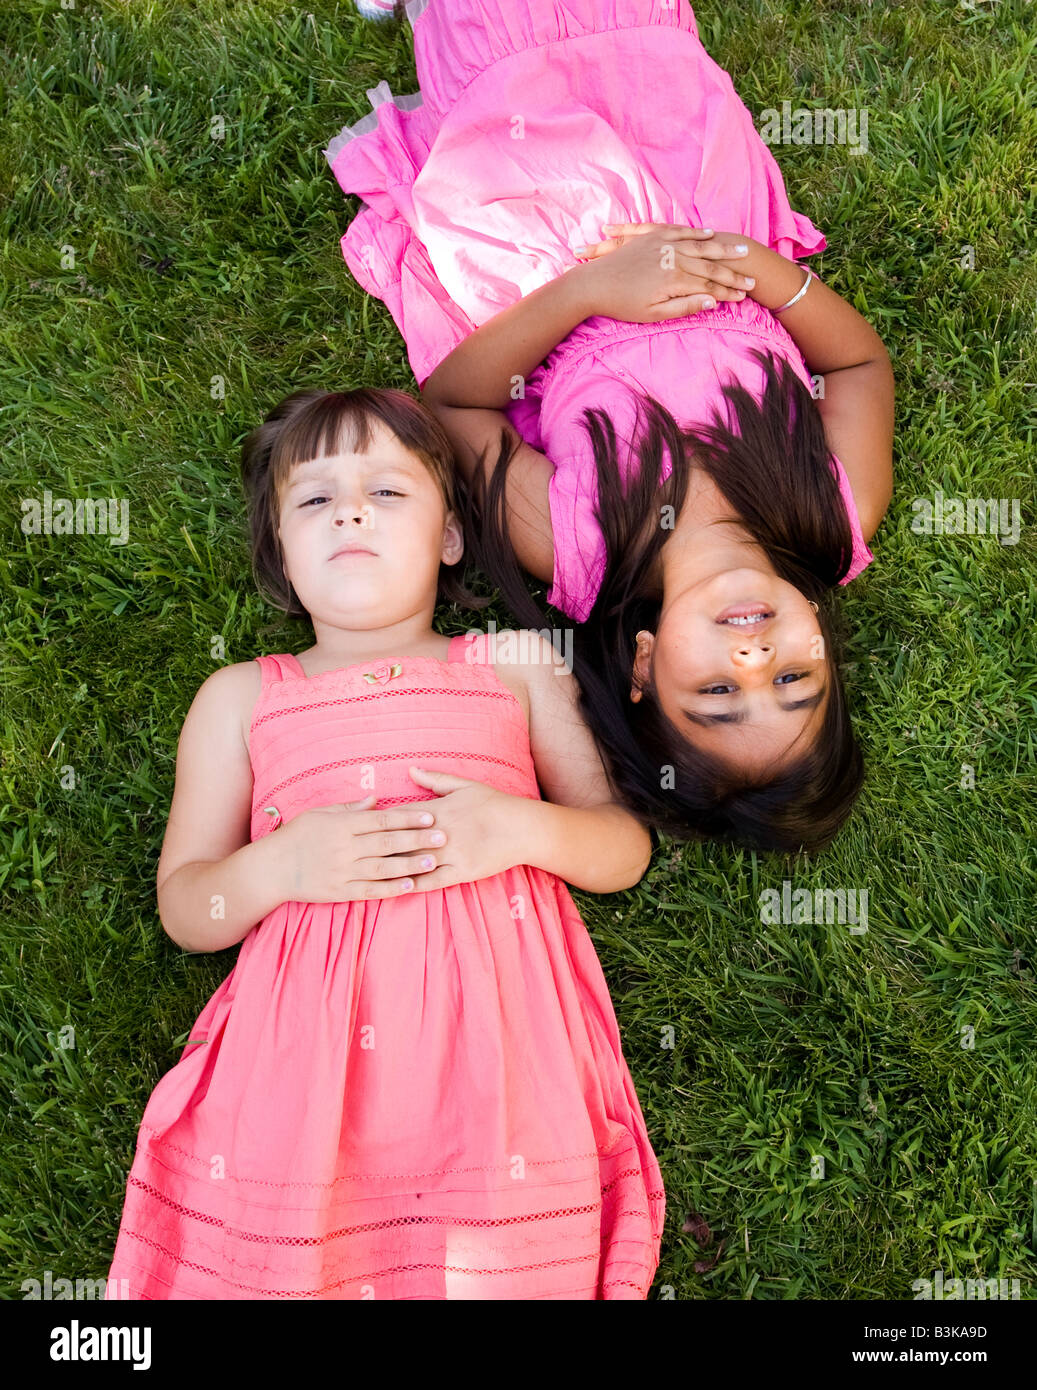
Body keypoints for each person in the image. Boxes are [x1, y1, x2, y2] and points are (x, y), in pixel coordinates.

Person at [104, 385, 664, 1299]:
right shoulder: (244, 695)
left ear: (449, 538)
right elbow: (187, 907)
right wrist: (283, 864)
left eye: (388, 492)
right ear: (283, 556)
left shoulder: (513, 667)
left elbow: (619, 850)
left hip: (498, 1061)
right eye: (315, 498)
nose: (351, 509)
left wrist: (517, 827)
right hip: (307, 1062)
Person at [324, 0, 895, 852]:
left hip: (538, 224)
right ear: (822, 646)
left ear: (640, 667)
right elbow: (857, 368)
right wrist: (760, 271)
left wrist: (590, 291)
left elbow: (455, 407)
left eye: (715, 695)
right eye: (793, 679)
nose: (753, 660)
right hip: (700, 189)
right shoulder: (835, 513)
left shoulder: (579, 545)